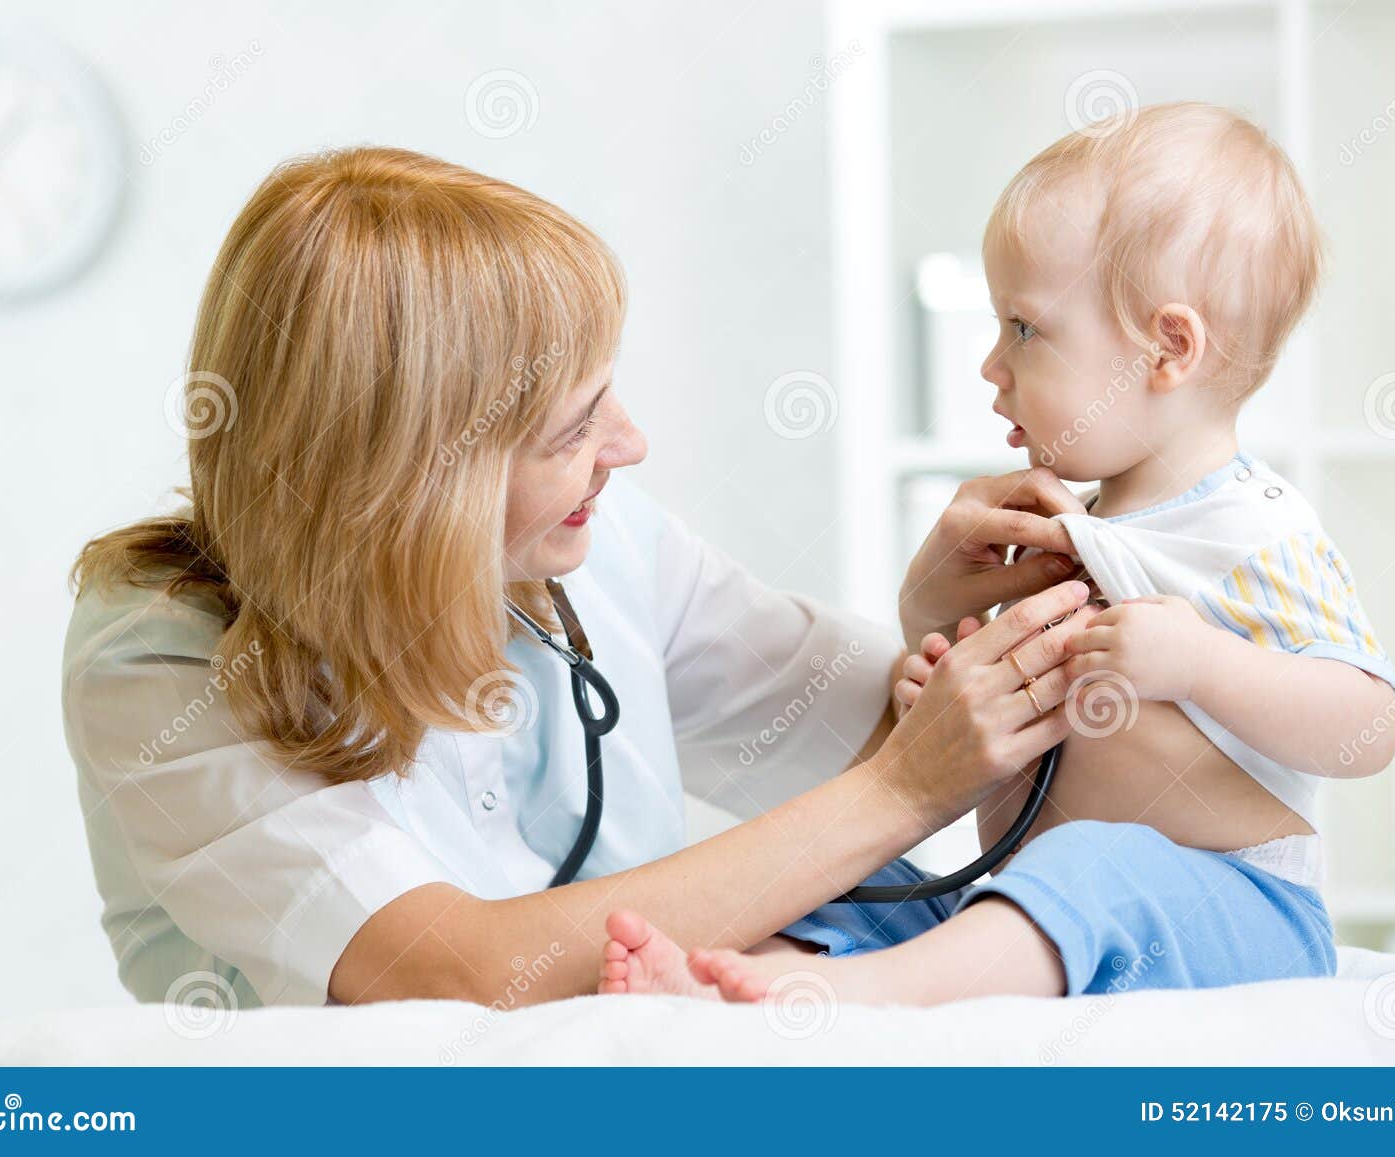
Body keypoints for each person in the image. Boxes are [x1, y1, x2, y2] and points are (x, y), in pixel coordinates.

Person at [62, 145, 1091, 1009]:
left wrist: (939, 624)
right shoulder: (156, 654)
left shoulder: (598, 542)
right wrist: (908, 784)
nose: (629, 443)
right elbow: (452, 969)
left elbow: (893, 730)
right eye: (573, 427)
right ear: (421, 479)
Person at [615, 102, 1395, 1006]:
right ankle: (740, 983)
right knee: (862, 875)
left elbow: (1369, 727)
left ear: (1167, 347)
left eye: (1024, 329)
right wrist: (937, 671)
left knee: (1089, 865)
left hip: (1234, 913)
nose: (992, 366)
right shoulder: (1071, 533)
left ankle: (850, 1002)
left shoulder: (1251, 528)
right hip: (1043, 897)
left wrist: (1202, 663)